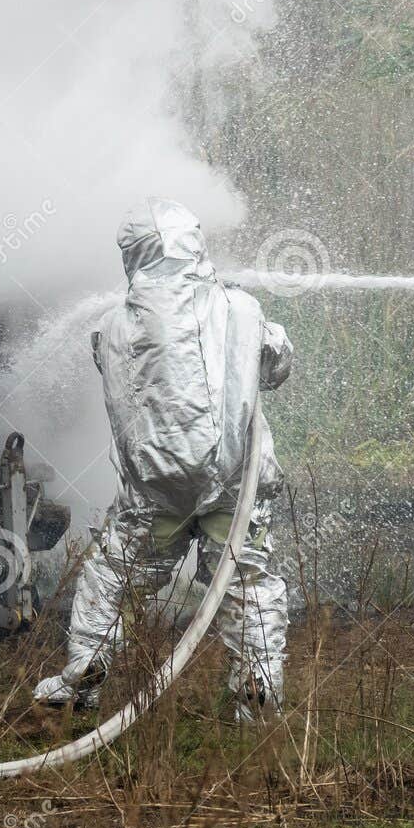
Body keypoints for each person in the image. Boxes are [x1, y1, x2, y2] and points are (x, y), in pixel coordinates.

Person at [34, 198, 293, 720]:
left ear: (133, 257)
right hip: (234, 487)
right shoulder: (242, 309)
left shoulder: (110, 327)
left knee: (114, 578)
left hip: (159, 495)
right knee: (247, 584)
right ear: (195, 244)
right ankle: (257, 691)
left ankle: (85, 670)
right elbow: (278, 365)